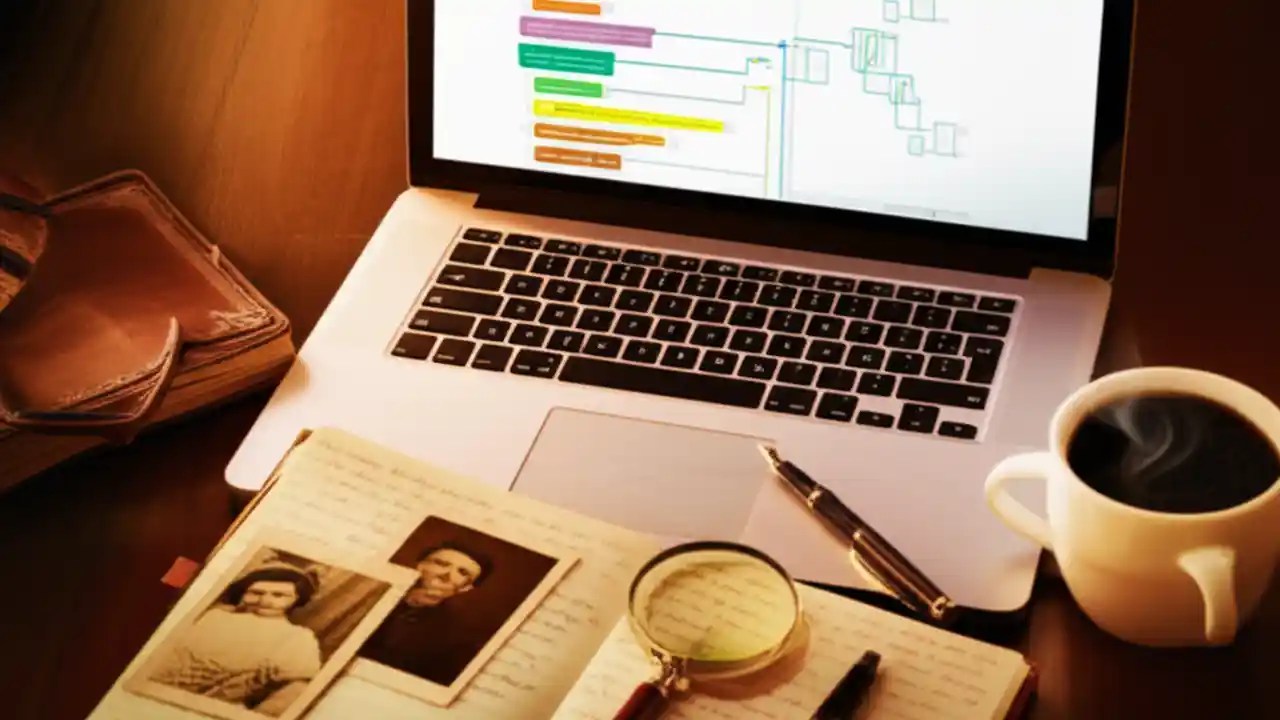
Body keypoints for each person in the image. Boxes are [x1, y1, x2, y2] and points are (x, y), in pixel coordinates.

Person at [148, 561, 323, 715]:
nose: (265, 600)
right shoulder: (214, 616)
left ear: (296, 599)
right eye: (256, 592)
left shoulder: (298, 637)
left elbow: (294, 690)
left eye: (279, 595)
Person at [359, 542, 494, 686]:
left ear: (466, 587)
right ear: (420, 565)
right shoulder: (366, 592)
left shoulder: (457, 638)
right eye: (441, 564)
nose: (446, 575)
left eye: (463, 573)